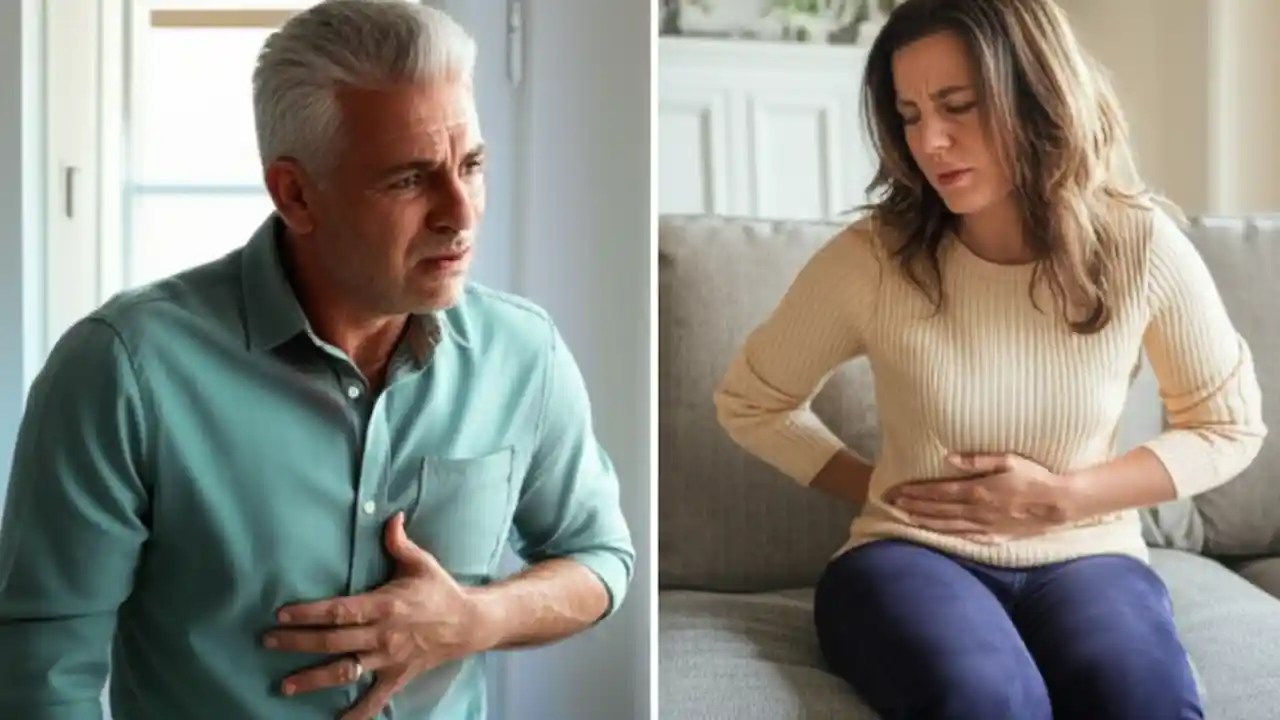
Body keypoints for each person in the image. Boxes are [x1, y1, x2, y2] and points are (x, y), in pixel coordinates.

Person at [0, 2, 634, 718]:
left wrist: (472, 620)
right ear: (296, 194)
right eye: (409, 179)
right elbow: (41, 674)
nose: (460, 212)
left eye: (472, 165)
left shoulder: (523, 355)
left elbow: (600, 558)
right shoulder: (122, 372)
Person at [714, 0, 1264, 719]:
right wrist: (882, 486)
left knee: (1144, 703)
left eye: (957, 106)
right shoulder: (873, 258)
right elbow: (752, 402)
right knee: (988, 701)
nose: (930, 141)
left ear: (1037, 95)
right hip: (909, 558)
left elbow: (1228, 426)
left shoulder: (1141, 245)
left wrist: (1064, 498)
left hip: (1088, 556)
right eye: (909, 116)